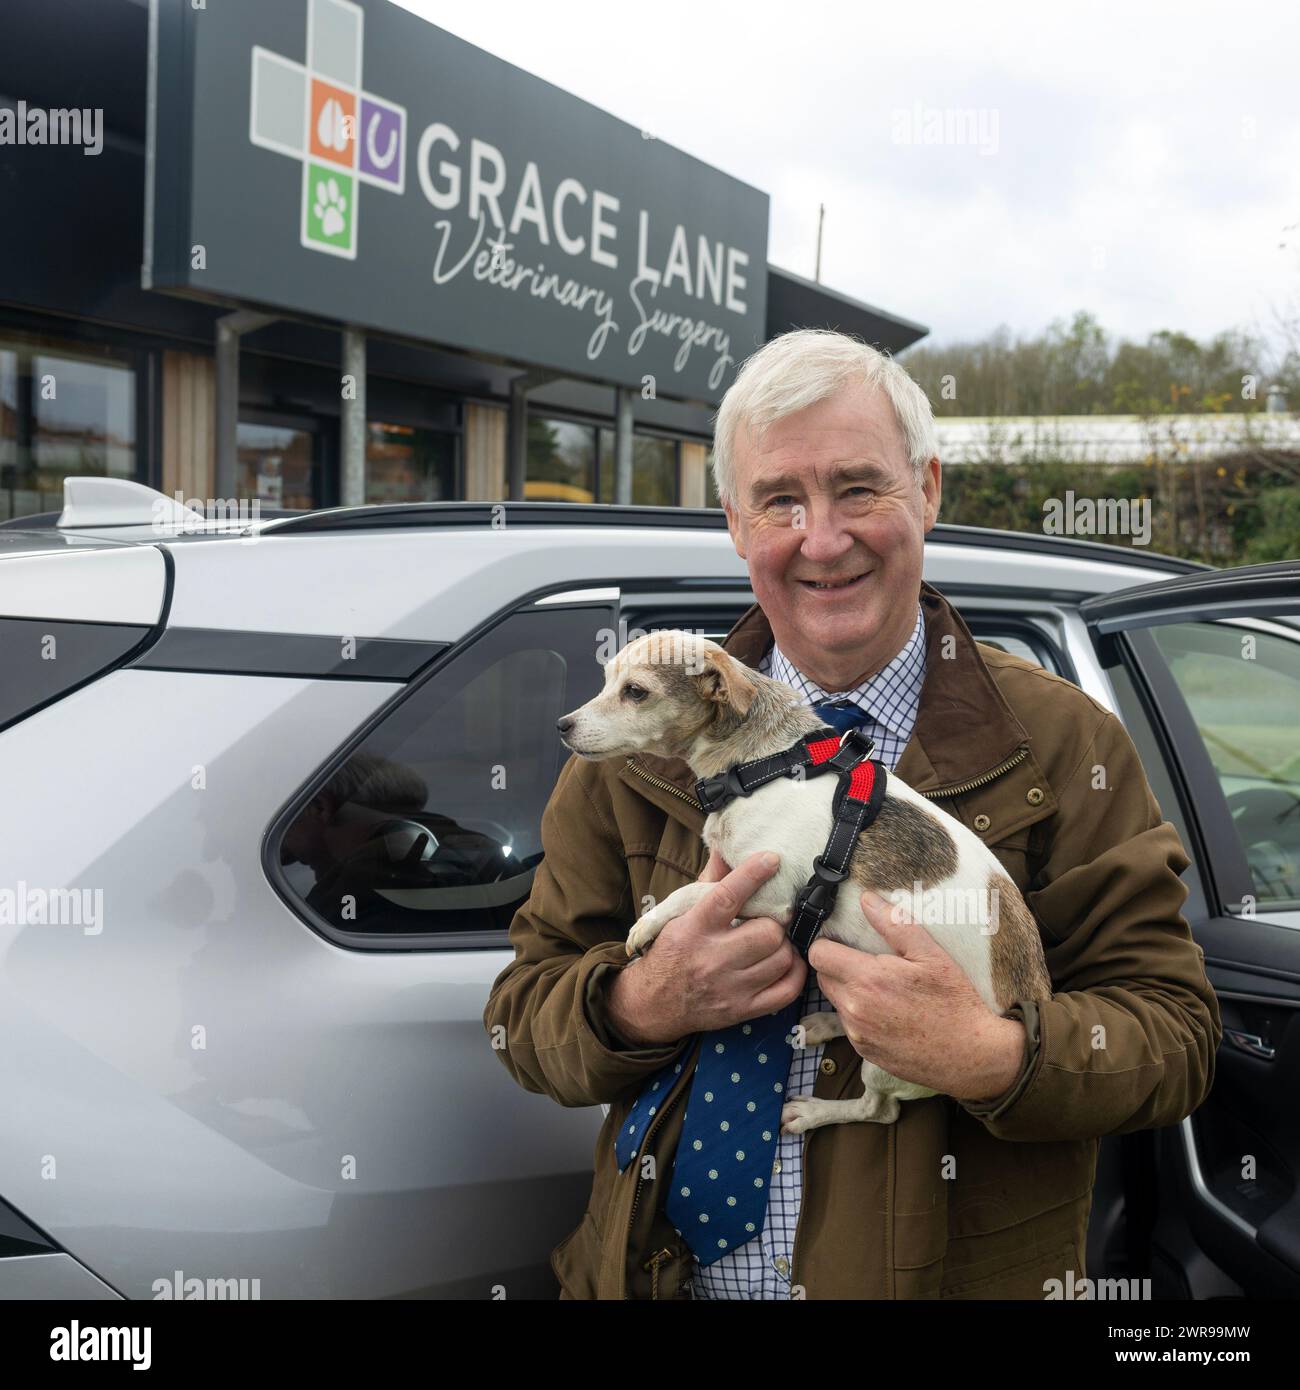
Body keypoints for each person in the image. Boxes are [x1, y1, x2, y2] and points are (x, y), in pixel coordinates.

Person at [483, 328, 1221, 1299]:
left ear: (929, 490)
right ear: (735, 524)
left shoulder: (1062, 745)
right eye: (779, 499)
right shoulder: (640, 742)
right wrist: (642, 1000)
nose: (821, 539)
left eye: (859, 488)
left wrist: (994, 1054)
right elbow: (523, 1018)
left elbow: (1172, 1036)